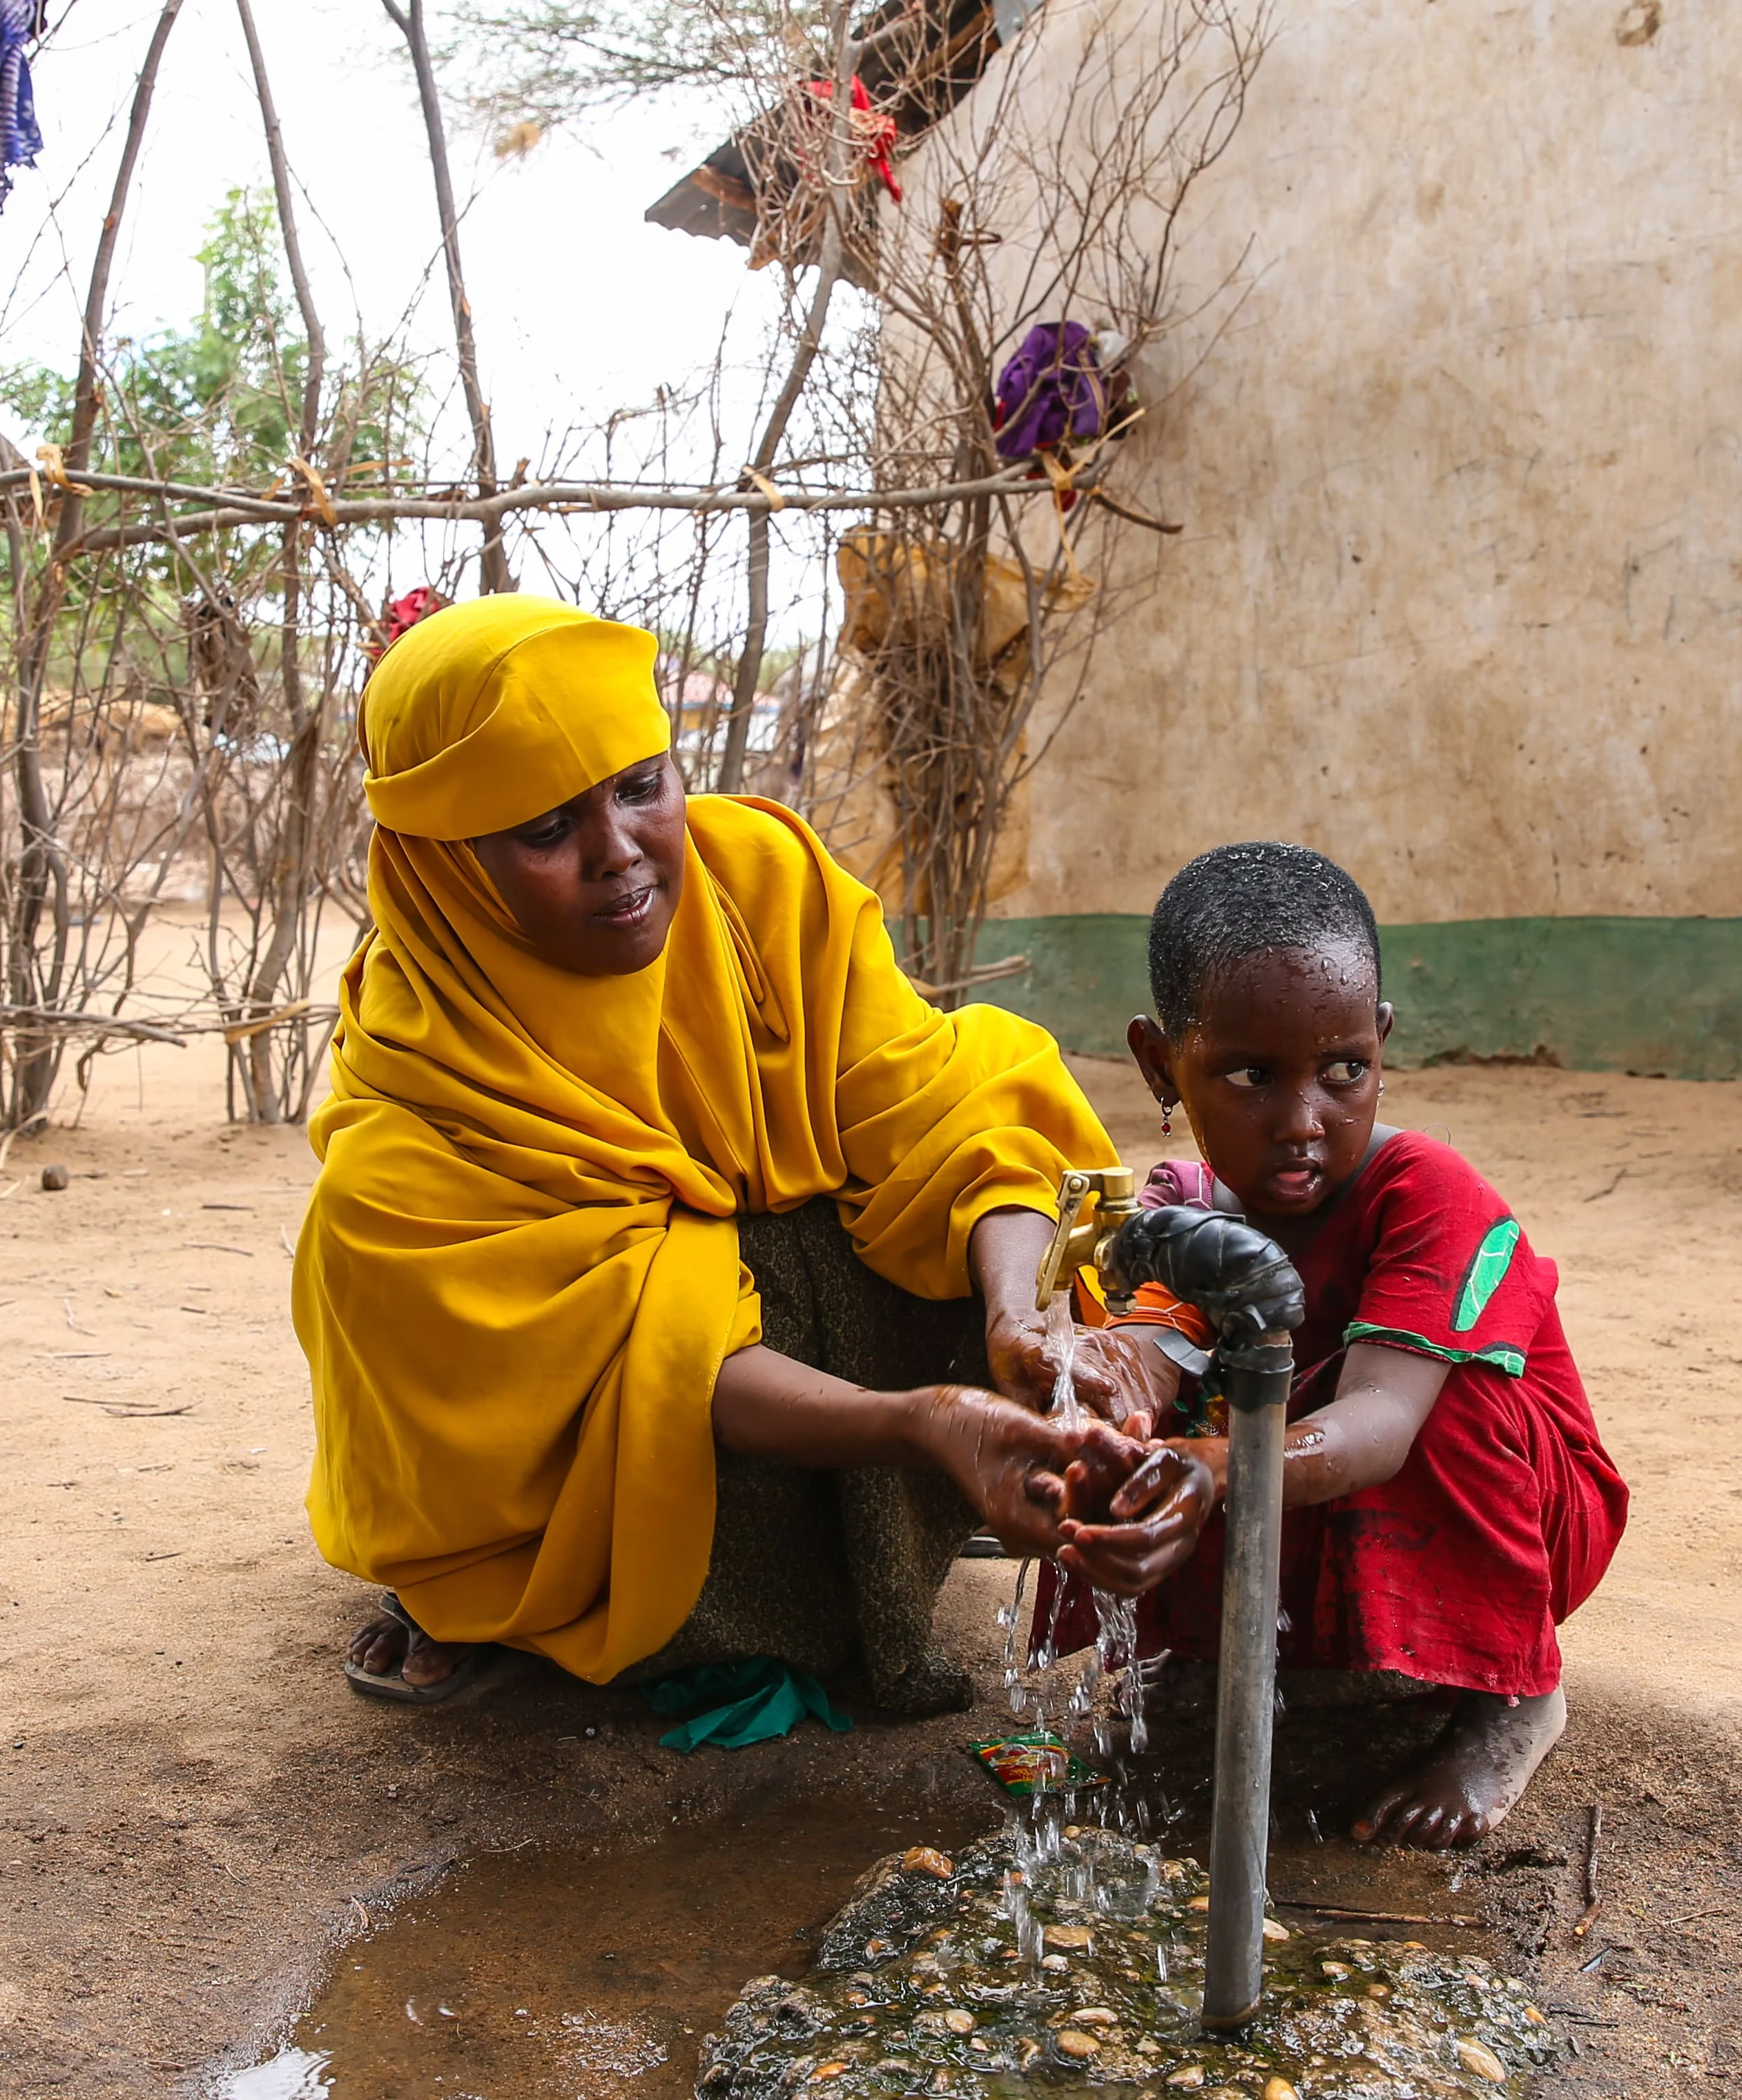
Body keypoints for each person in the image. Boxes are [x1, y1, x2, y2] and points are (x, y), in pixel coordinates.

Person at [297, 593, 1172, 1713]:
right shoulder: (424, 1082)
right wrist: (921, 1423)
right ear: (442, 866)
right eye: (544, 829)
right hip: (695, 1485)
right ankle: (504, 1602)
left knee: (983, 1175)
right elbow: (642, 1350)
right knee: (396, 1264)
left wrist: (1015, 1315)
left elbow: (947, 1113)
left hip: (819, 1410)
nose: (620, 855)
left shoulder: (757, 884)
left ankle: (876, 1561)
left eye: (639, 786)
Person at [1043, 841, 1629, 1849]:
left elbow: (1380, 1427)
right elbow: (1151, 1339)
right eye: (1249, 1075)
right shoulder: (1176, 1207)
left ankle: (1509, 1698)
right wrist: (1102, 1397)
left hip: (1511, 1506)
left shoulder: (1425, 1193)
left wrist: (1214, 1466)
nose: (1302, 1121)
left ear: (1382, 1047)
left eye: (1343, 1070)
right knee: (1149, 1416)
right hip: (1311, 1477)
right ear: (1158, 1064)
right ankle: (1233, 1655)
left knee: (1448, 1397)